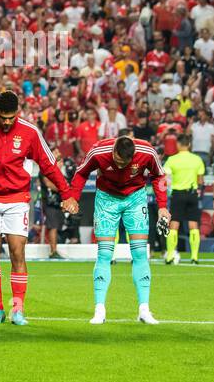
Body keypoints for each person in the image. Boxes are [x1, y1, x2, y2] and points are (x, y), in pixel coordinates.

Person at [0, 91, 78, 326]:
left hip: (18, 200)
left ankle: (17, 309)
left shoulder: (30, 132)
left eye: (11, 117)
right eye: (3, 117)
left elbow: (49, 166)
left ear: (18, 113)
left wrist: (67, 193)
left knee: (17, 253)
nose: (7, 122)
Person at [70, 135, 169, 325]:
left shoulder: (147, 151)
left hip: (135, 198)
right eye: (117, 161)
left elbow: (159, 175)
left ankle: (144, 309)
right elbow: (81, 172)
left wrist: (162, 205)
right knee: (105, 254)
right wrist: (74, 197)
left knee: (140, 252)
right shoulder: (98, 151)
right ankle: (100, 309)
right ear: (113, 150)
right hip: (106, 200)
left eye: (125, 163)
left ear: (133, 157)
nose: (121, 166)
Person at [163, 134, 206, 265]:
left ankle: (170, 256)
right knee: (193, 224)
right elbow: (200, 179)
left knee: (174, 224)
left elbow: (166, 179)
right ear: (189, 145)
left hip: (178, 194)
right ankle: (194, 257)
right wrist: (197, 190)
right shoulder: (197, 159)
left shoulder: (172, 159)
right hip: (192, 194)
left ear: (178, 144)